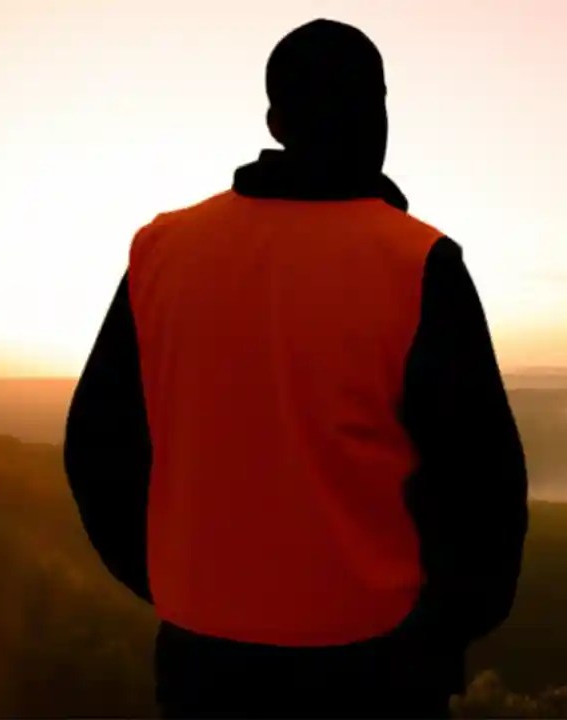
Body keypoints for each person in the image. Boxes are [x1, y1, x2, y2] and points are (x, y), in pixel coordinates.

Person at [63, 19, 529, 719]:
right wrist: (437, 635)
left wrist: (172, 586)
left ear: (277, 121)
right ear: (379, 115)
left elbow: (98, 450)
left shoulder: (161, 252)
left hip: (202, 665)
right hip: (377, 670)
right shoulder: (418, 263)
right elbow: (482, 489)